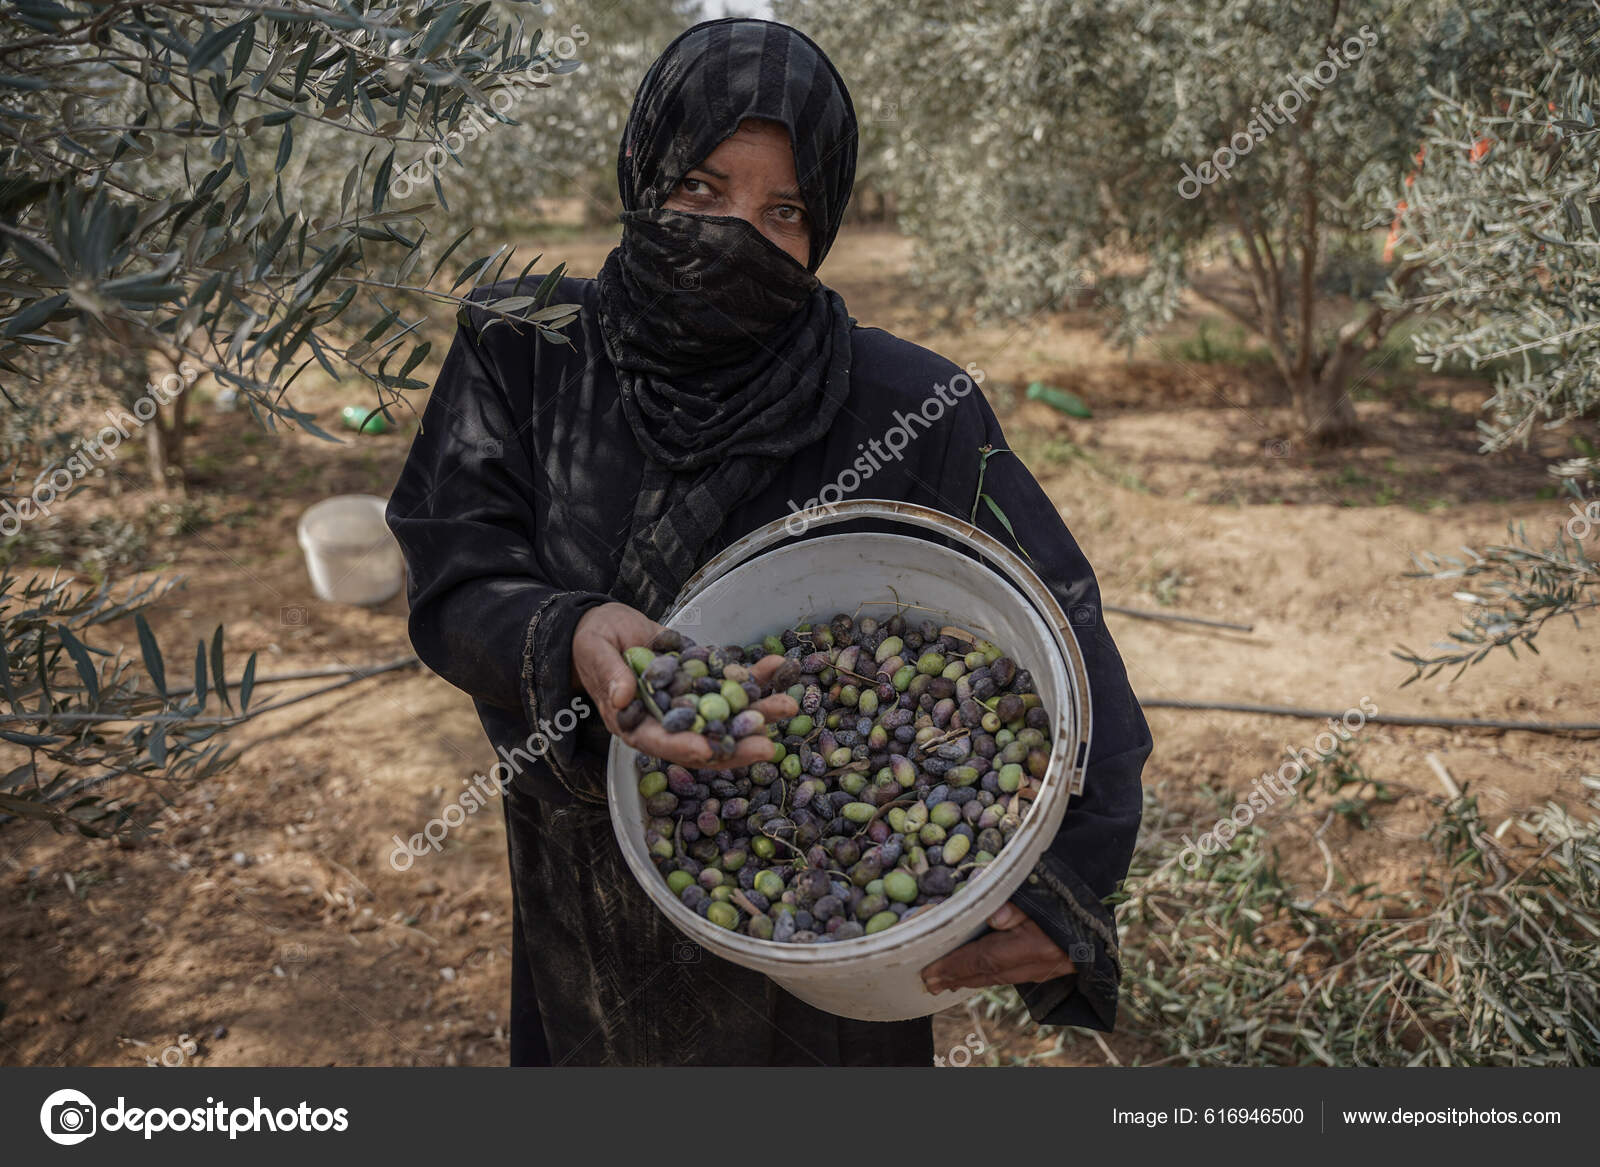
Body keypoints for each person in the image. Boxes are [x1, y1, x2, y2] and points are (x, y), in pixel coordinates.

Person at [386, 16, 1152, 1067]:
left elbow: (1057, 619)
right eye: (700, 189)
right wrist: (566, 634)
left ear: (821, 223)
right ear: (644, 173)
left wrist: (1069, 881)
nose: (732, 236)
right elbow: (453, 571)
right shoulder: (524, 349)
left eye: (781, 210)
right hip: (593, 913)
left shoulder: (906, 404)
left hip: (835, 960)